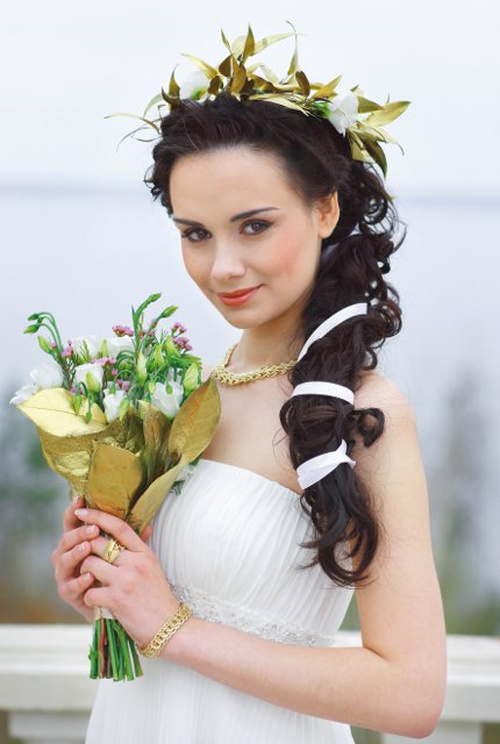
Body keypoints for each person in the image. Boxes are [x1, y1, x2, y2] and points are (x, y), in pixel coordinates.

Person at [51, 25, 447, 743]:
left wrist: (171, 627)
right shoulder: (179, 395)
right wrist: (102, 589)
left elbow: (411, 694)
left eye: (254, 226)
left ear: (325, 209)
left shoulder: (362, 415)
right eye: (195, 232)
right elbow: (161, 613)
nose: (222, 267)